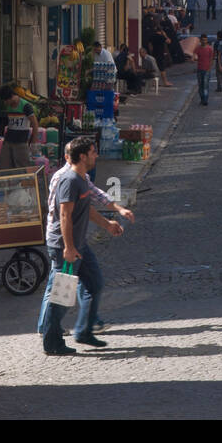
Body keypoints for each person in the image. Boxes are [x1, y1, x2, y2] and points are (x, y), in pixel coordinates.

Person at [38, 139, 130, 354]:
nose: (96, 155)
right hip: (66, 246)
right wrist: (68, 248)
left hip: (79, 244)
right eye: (92, 152)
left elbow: (86, 208)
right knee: (62, 295)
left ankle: (84, 331)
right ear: (82, 157)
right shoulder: (69, 180)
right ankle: (52, 343)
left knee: (95, 283)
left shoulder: (82, 178)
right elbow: (64, 215)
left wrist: (107, 224)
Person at [0, 85, 39, 169]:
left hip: (21, 142)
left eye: (5, 100)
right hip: (8, 140)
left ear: (10, 98)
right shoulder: (9, 106)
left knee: (21, 167)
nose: (5, 103)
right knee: (4, 165)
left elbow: (34, 124)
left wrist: (34, 141)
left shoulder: (25, 106)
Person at [194, 35, 215, 106]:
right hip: (199, 69)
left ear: (207, 40)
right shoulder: (198, 48)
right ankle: (202, 99)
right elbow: (194, 56)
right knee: (200, 85)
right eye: (202, 40)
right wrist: (193, 58)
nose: (204, 41)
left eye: (205, 40)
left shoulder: (210, 49)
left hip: (207, 70)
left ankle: (205, 100)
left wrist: (210, 68)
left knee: (205, 85)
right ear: (200, 40)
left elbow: (212, 59)